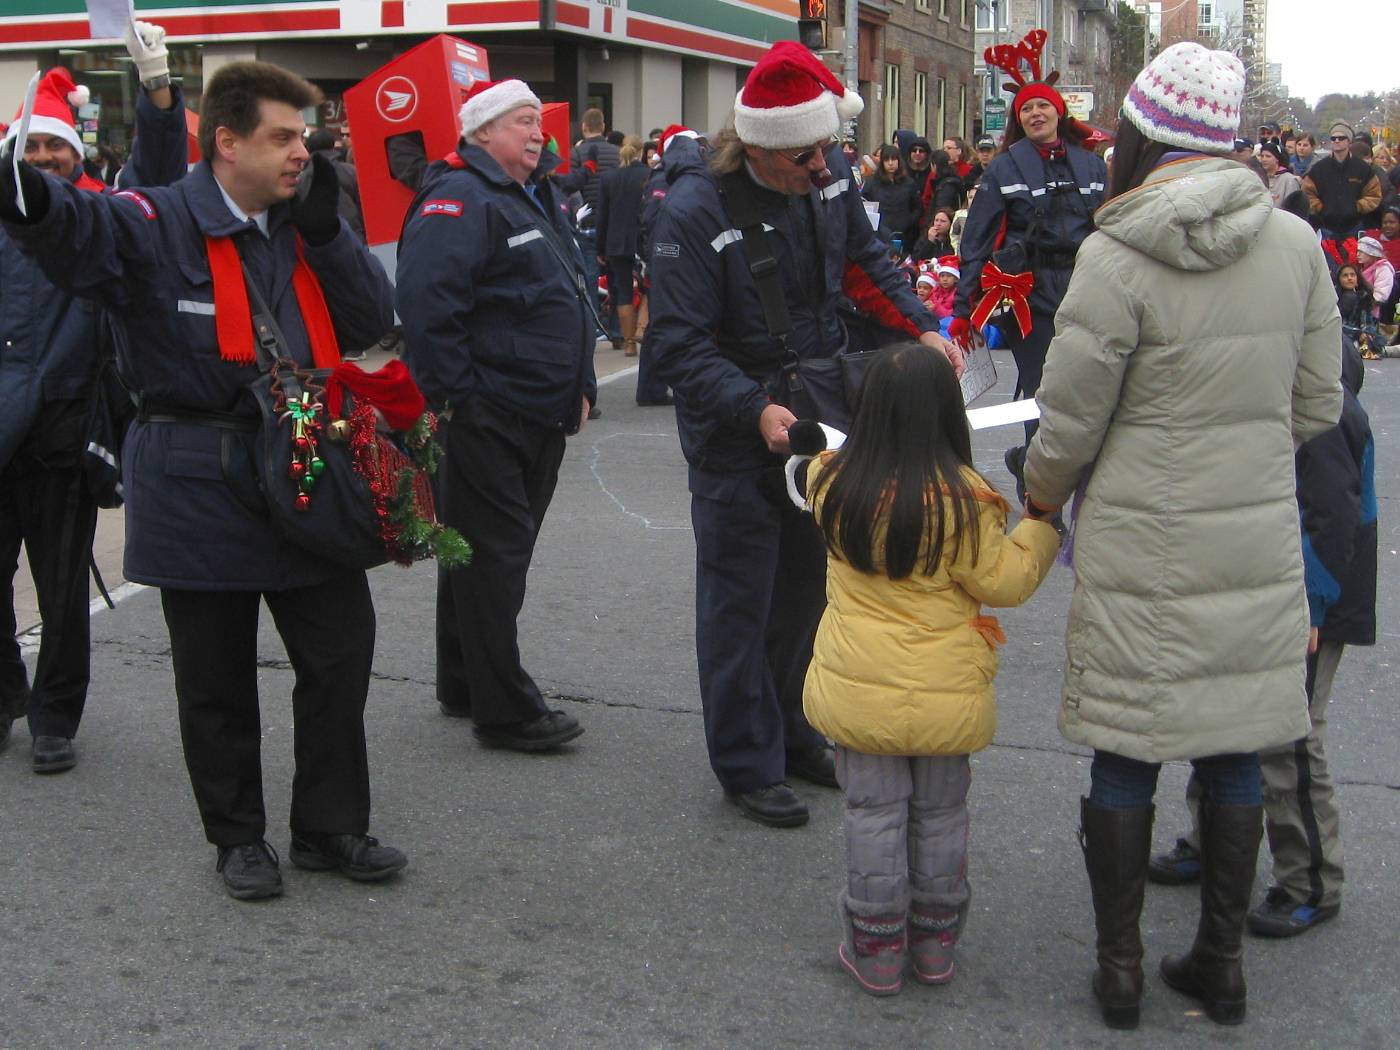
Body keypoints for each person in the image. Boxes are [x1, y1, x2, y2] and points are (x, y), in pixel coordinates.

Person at [1, 60, 406, 900]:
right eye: (284, 138)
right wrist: (20, 184)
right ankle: (238, 837)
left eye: (306, 137)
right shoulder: (154, 219)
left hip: (302, 465)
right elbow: (71, 225)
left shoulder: (304, 222)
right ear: (227, 142)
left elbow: (373, 327)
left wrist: (331, 234)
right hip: (198, 475)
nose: (304, 153)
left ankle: (329, 825)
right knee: (215, 678)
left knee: (339, 655)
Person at [1022, 42, 1343, 1029]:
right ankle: (1218, 961)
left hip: (1136, 532)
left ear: (1142, 131)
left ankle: (1118, 969)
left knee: (1126, 745)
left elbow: (1068, 419)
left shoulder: (1115, 251)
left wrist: (1040, 494)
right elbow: (1318, 402)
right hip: (1250, 531)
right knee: (1234, 745)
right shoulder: (1295, 245)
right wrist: (1241, 450)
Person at [648, 41, 961, 829]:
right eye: (805, 158)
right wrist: (753, 410)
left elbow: (868, 260)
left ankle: (793, 732)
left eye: (827, 150)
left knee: (807, 594)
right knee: (739, 605)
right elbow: (679, 344)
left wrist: (922, 327)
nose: (823, 168)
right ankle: (747, 762)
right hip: (735, 428)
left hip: (818, 409)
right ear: (755, 148)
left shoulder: (828, 179)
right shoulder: (692, 211)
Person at [801, 344, 1059, 996]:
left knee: (872, 817)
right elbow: (1007, 582)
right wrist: (1040, 527)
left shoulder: (833, 483)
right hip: (947, 699)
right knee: (941, 817)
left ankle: (877, 946)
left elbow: (807, 466)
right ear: (949, 414)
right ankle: (937, 942)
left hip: (858, 695)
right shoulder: (968, 506)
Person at [0, 23, 188, 771]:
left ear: (78, 156)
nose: (46, 159)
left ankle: (53, 717)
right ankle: (4, 694)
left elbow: (157, 174)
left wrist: (156, 87)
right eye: (34, 149)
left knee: (58, 591)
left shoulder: (99, 221)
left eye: (59, 150)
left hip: (64, 439)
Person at [1149, 343, 1375, 940]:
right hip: (1260, 586)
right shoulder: (1283, 390)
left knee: (1289, 740)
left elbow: (1333, 518)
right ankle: (1217, 840)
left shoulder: (1324, 411)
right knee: (1224, 711)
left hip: (1307, 602)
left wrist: (1311, 605)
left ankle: (1311, 882)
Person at [397, 78, 596, 755]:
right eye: (521, 121)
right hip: (491, 412)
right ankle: (504, 708)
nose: (537, 133)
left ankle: (463, 680)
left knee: (483, 553)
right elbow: (427, 307)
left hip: (536, 409)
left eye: (538, 121)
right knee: (497, 558)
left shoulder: (532, 194)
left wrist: (583, 379)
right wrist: (460, 400)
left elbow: (569, 290)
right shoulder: (460, 197)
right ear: (483, 133)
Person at [949, 29, 1106, 486]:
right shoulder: (1005, 167)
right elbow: (975, 240)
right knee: (1042, 387)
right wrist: (963, 310)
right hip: (1028, 296)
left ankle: (1058, 464)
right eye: (1027, 108)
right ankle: (1039, 482)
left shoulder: (1093, 167)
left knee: (1085, 386)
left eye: (1043, 105)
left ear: (1059, 112)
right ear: (1020, 119)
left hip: (1086, 289)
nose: (1036, 113)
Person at [595, 134, 650, 355]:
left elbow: (602, 216)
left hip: (616, 241)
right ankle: (642, 328)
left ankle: (628, 342)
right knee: (648, 286)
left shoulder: (609, 178)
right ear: (640, 152)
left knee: (623, 290)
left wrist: (600, 247)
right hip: (642, 238)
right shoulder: (648, 175)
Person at [1303, 122, 1382, 240]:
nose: (1336, 141)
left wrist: (1357, 207)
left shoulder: (1362, 168)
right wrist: (1321, 208)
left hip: (1354, 227)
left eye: (1341, 138)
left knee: (1354, 259)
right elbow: (1306, 193)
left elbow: (1374, 195)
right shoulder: (1319, 168)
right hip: (1325, 228)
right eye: (1333, 138)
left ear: (1349, 141)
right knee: (1326, 259)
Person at [304, 127, 365, 241]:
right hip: (355, 234)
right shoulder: (350, 171)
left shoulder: (302, 179)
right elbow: (363, 206)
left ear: (308, 148)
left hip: (319, 242)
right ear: (332, 144)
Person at [861, 144, 920, 247]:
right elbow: (864, 205)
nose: (890, 163)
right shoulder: (872, 183)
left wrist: (908, 221)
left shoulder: (909, 183)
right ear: (882, 162)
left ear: (899, 161)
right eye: (887, 160)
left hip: (905, 235)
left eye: (893, 159)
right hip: (879, 235)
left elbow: (917, 207)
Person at [1258, 141, 1301, 208]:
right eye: (1262, 156)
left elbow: (1293, 207)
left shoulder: (1289, 180)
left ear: (1277, 159)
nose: (1264, 159)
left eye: (1268, 156)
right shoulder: (1259, 177)